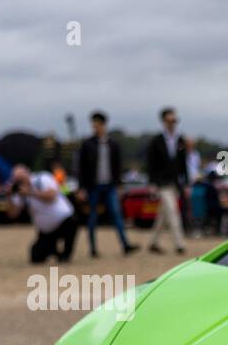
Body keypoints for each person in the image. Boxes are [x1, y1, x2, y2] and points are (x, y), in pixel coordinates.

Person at [76, 111, 136, 258]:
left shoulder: (113, 145)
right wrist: (81, 187)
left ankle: (125, 245)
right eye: (93, 126)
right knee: (92, 216)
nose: (95, 128)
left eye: (97, 125)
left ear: (103, 125)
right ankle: (93, 248)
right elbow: (81, 167)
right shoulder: (87, 144)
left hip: (110, 185)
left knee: (116, 214)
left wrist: (119, 184)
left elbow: (117, 166)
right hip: (93, 186)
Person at [6, 165, 78, 264]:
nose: (20, 182)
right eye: (17, 180)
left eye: (21, 179)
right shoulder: (20, 193)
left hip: (64, 221)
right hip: (46, 230)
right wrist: (10, 197)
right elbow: (13, 214)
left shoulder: (42, 178)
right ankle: (53, 250)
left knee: (71, 226)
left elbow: (51, 196)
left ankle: (66, 254)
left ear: (28, 174)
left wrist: (30, 192)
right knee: (36, 257)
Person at [145, 106, 187, 255]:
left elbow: (183, 163)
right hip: (161, 183)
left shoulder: (180, 140)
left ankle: (153, 242)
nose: (172, 124)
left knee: (163, 215)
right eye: (170, 121)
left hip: (174, 183)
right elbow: (150, 164)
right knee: (173, 211)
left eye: (175, 121)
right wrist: (152, 183)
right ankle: (179, 244)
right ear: (163, 121)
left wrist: (185, 183)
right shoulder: (156, 141)